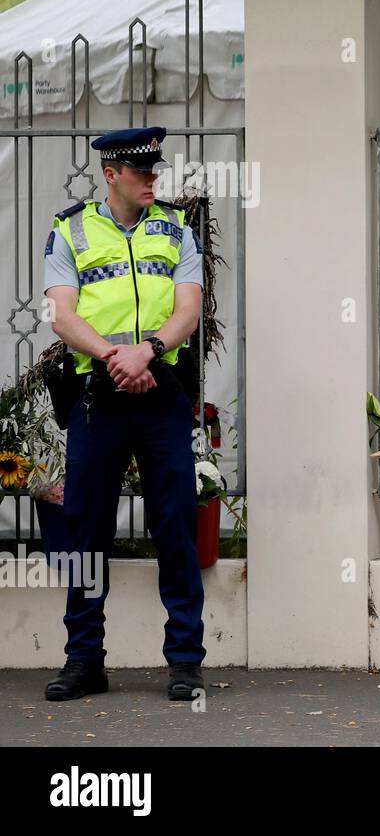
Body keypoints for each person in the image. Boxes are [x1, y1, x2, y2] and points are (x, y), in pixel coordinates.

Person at [41, 126, 207, 702]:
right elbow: (61, 316)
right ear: (111, 174)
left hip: (161, 392)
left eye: (155, 170)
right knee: (86, 529)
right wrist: (115, 355)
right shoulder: (71, 229)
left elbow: (189, 310)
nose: (152, 179)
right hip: (99, 396)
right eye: (141, 172)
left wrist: (148, 351)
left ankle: (185, 661)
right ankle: (84, 659)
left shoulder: (177, 228)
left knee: (176, 526)